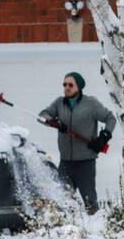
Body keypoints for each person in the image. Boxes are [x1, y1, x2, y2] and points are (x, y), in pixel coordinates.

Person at [38, 71, 116, 213]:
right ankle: (66, 232)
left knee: (90, 202)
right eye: (65, 84)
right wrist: (53, 122)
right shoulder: (59, 103)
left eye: (70, 85)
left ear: (78, 87)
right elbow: (42, 116)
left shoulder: (91, 103)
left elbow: (110, 118)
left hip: (85, 163)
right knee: (62, 201)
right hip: (65, 163)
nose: (66, 87)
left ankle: (95, 231)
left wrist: (104, 136)